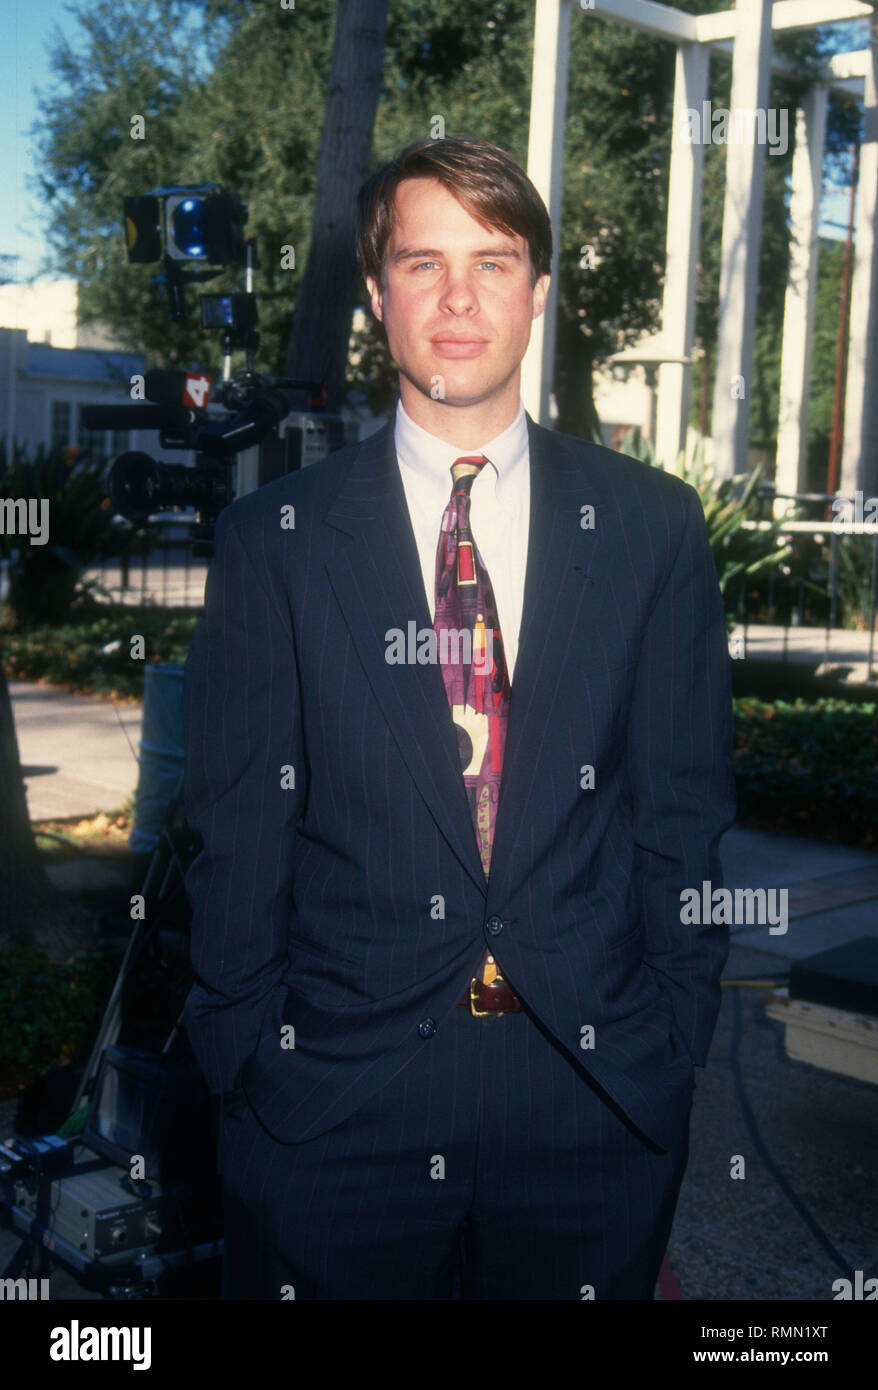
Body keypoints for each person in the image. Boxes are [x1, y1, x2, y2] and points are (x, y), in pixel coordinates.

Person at [181, 133, 737, 1300]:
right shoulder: (270, 543)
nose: (456, 298)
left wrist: (673, 1042)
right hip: (334, 1101)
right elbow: (235, 835)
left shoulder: (651, 528)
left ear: (537, 292)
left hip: (588, 1095)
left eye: (491, 262)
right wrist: (245, 1064)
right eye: (422, 263)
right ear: (377, 295)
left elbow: (680, 813)